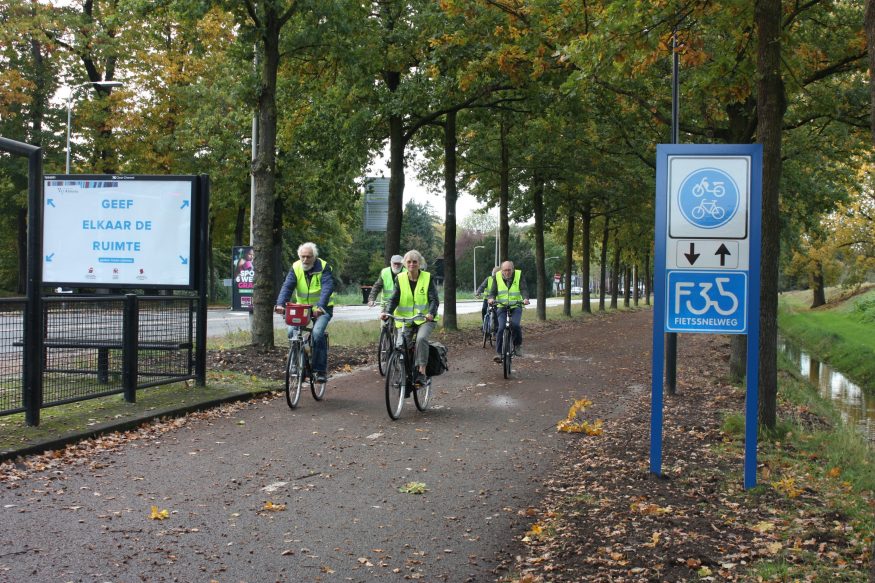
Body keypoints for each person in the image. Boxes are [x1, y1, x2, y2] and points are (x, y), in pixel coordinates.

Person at [274, 242, 334, 384]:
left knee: (318, 333)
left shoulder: (324, 267)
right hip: (302, 309)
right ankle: (297, 364)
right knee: (291, 332)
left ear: (315, 257)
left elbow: (327, 288)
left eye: (309, 257)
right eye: (303, 257)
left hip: (323, 308)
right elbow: (287, 286)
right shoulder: (296, 267)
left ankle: (320, 371)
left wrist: (320, 306)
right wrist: (280, 304)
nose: (305, 260)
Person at [382, 250, 439, 387]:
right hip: (405, 320)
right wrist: (387, 312)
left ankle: (421, 372)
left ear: (419, 263)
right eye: (409, 262)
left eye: (415, 262)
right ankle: (405, 375)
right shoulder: (400, 278)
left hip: (425, 319)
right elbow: (394, 299)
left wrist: (430, 313)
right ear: (404, 264)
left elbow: (434, 300)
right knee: (402, 346)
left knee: (421, 339)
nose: (412, 264)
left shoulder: (427, 278)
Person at [487, 260, 530, 362]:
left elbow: (523, 289)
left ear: (513, 269)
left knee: (515, 325)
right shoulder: (497, 276)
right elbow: (493, 291)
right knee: (501, 327)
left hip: (516, 305)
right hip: (502, 305)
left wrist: (525, 298)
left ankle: (517, 346)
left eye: (509, 270)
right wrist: (491, 298)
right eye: (505, 270)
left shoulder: (519, 275)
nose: (507, 272)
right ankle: (498, 353)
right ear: (502, 270)